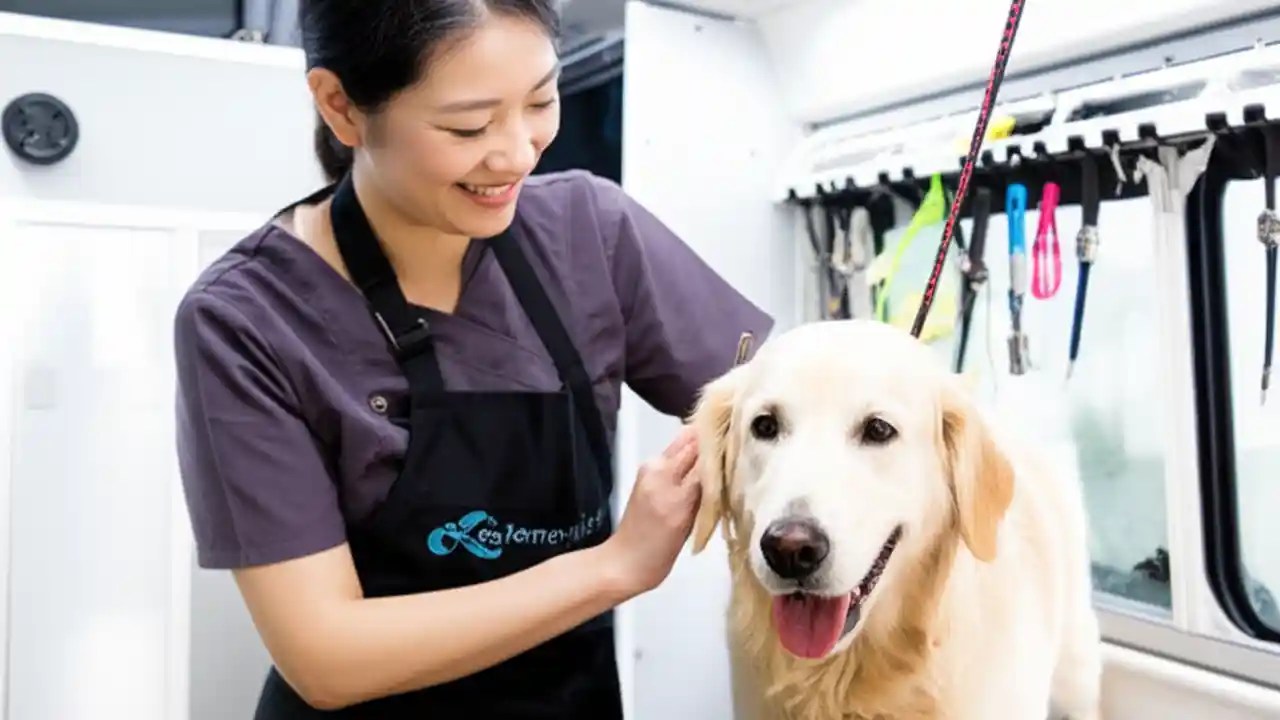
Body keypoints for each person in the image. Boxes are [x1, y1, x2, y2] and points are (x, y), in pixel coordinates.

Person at [172, 1, 774, 717]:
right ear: (341, 107)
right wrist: (614, 566)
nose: (518, 153)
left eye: (541, 102)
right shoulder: (246, 319)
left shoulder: (592, 231)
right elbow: (323, 656)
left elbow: (789, 409)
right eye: (468, 126)